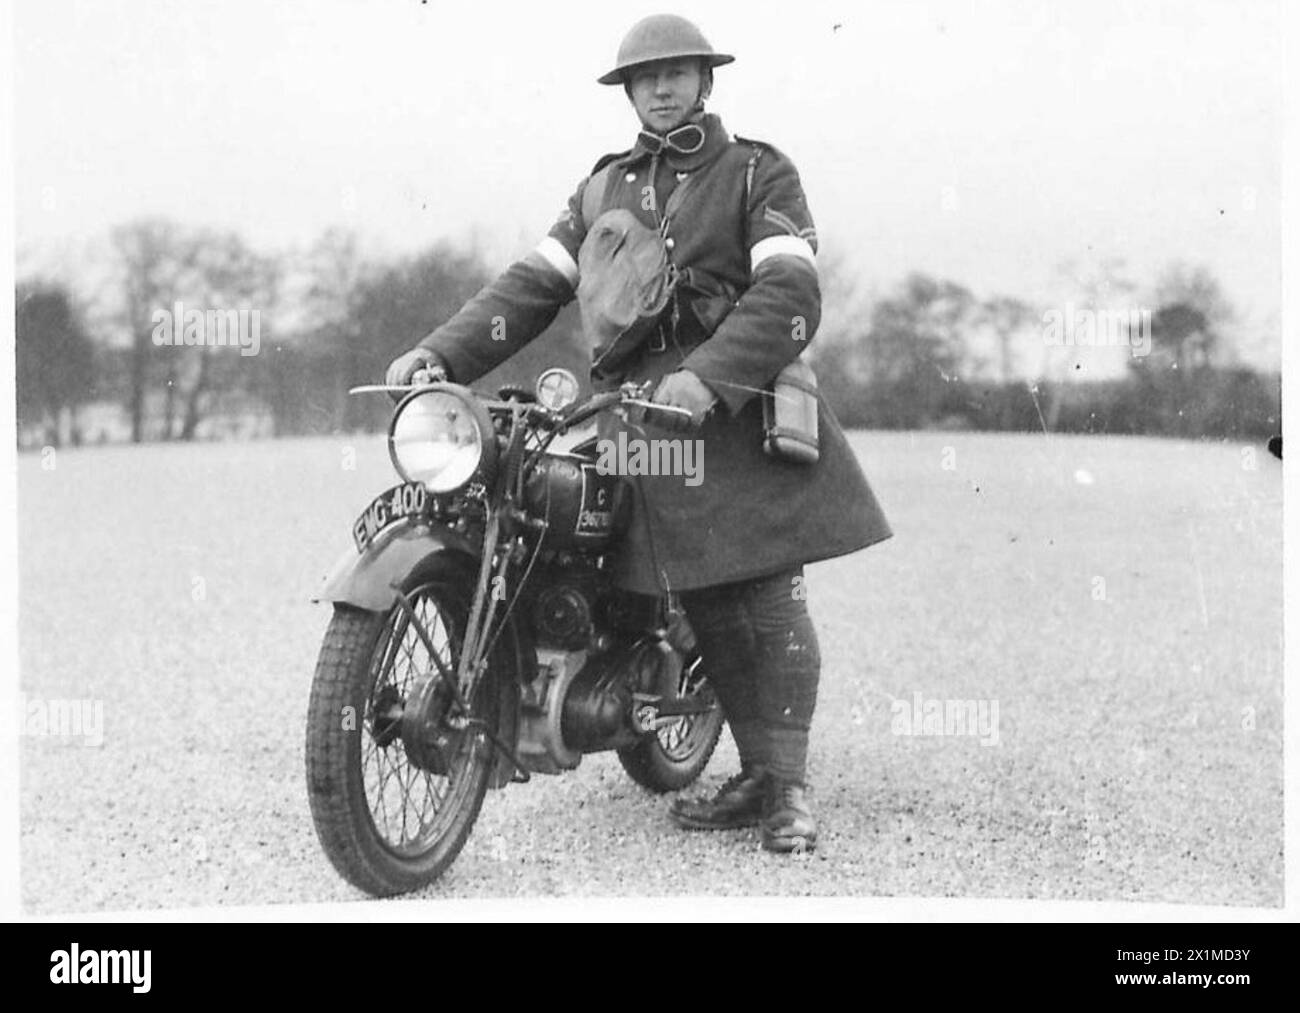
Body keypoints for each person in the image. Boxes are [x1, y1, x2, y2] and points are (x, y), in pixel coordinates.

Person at [386, 13, 892, 852]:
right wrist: (439, 354)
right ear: (627, 91)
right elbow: (531, 287)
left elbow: (792, 292)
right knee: (579, 541)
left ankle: (783, 783)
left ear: (706, 81)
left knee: (762, 595)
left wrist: (710, 376)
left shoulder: (755, 171)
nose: (661, 88)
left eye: (678, 73)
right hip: (635, 416)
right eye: (645, 77)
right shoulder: (602, 189)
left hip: (736, 413)